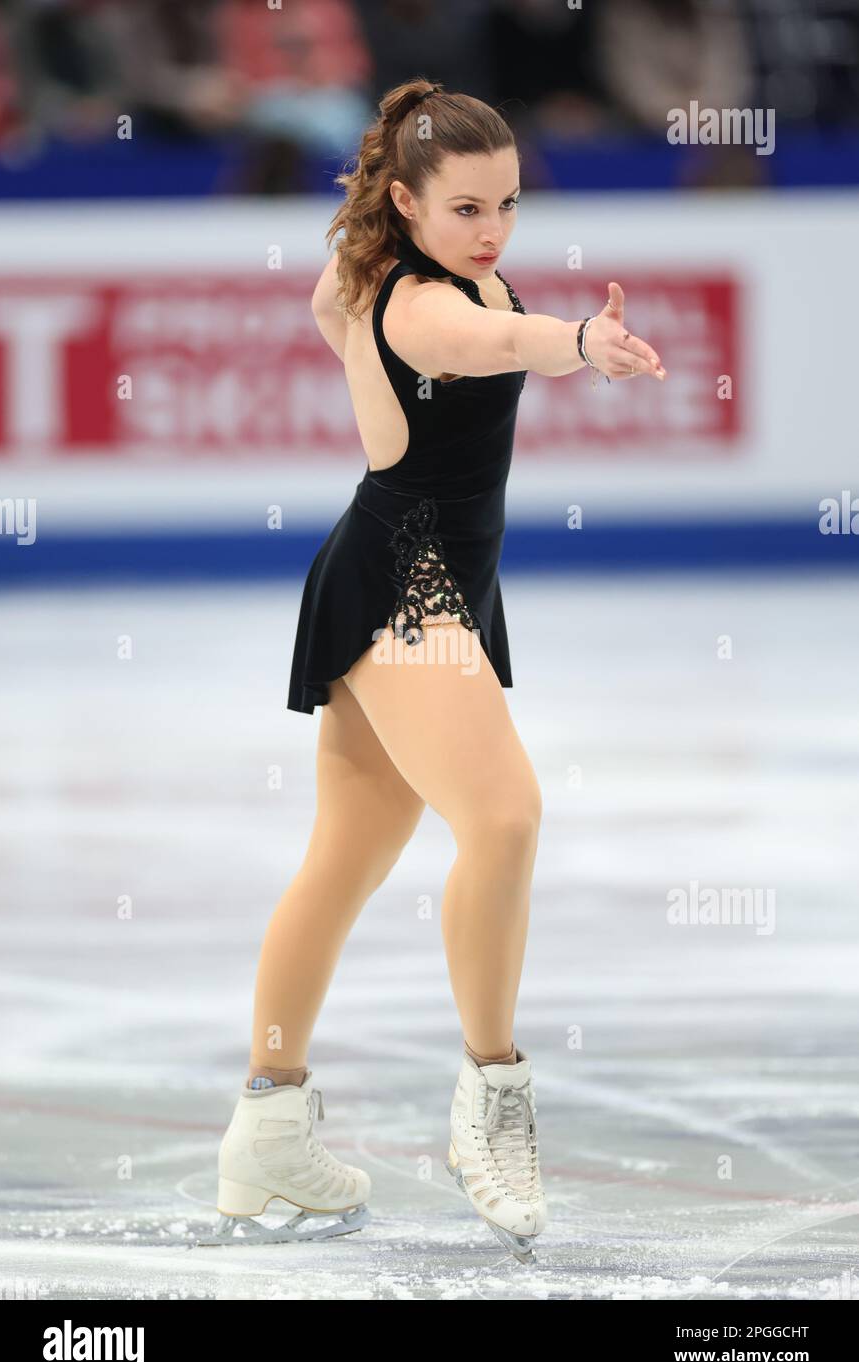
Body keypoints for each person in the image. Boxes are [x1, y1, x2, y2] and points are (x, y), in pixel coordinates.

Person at [203, 78, 666, 1261]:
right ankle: (490, 1096)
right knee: (504, 819)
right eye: (463, 207)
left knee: (344, 860)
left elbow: (332, 303)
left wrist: (504, 324)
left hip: (412, 573)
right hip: (409, 582)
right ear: (404, 202)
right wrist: (573, 341)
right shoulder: (420, 305)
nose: (492, 229)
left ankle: (266, 1123)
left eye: (505, 203)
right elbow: (491, 338)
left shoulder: (371, 276)